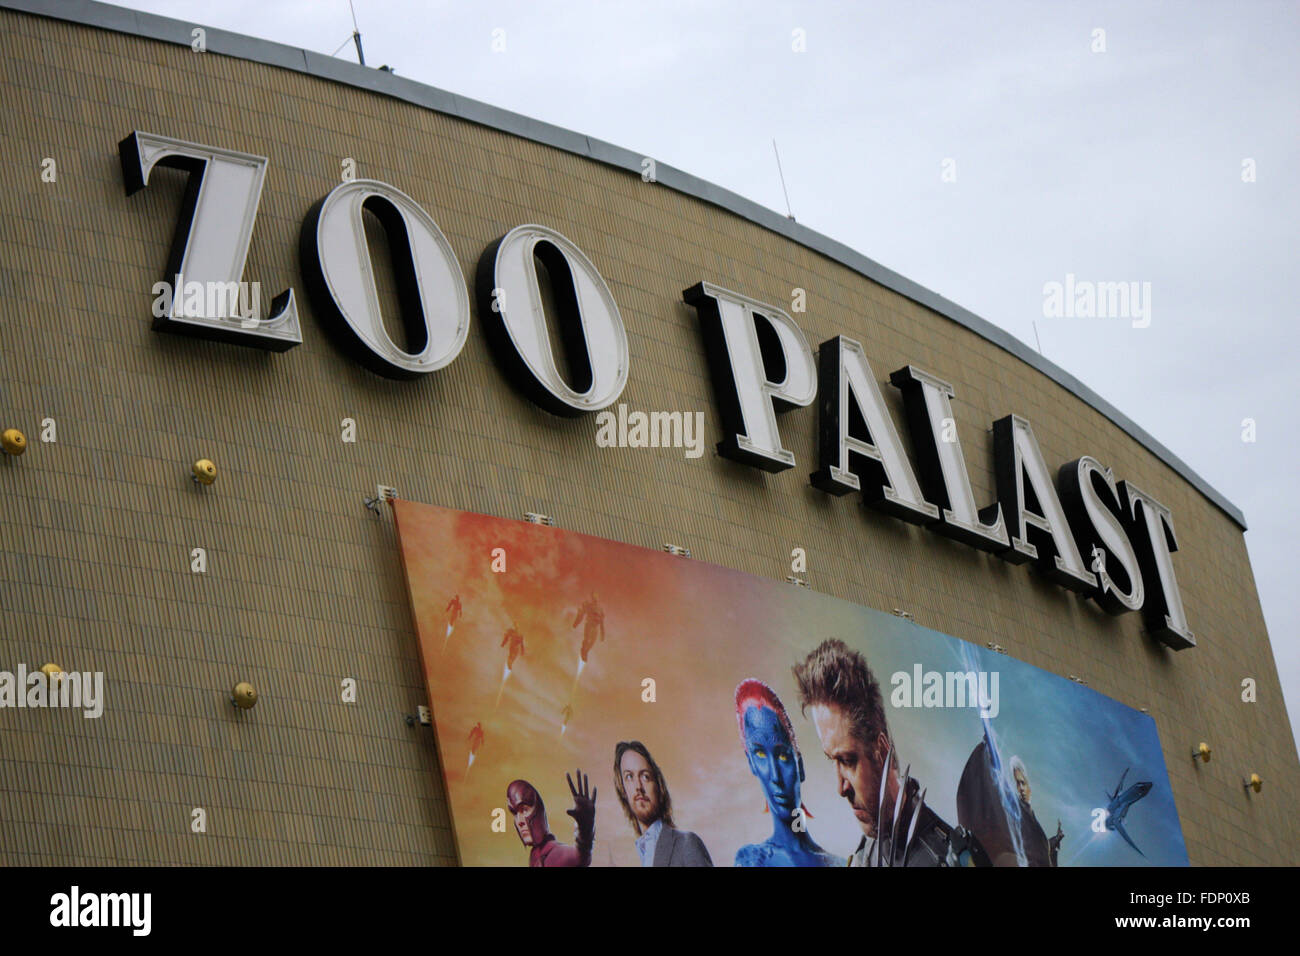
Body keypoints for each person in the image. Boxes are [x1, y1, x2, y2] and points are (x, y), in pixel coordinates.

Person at [793, 638, 988, 867]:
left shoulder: (948, 857)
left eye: (847, 761)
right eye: (832, 760)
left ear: (882, 750)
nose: (841, 788)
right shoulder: (862, 856)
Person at [733, 678, 842, 866]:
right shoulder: (752, 861)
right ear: (751, 763)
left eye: (782, 756)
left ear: (799, 766)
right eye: (760, 754)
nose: (775, 776)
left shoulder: (838, 863)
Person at [613, 740, 712, 866]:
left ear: (659, 786)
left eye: (645, 776)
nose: (638, 786)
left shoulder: (686, 844)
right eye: (629, 777)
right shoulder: (642, 854)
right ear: (623, 790)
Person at [506, 770, 596, 867]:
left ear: (538, 811)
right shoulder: (535, 856)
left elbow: (581, 856)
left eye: (524, 810)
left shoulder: (554, 854)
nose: (519, 821)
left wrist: (585, 831)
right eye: (515, 813)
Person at [1010, 756, 1064, 867]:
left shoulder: (1030, 816)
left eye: (1023, 783)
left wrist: (1057, 838)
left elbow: (1042, 848)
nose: (1020, 788)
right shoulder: (1018, 812)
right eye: (1017, 784)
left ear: (1029, 786)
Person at [573, 593, 606, 663]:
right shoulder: (588, 605)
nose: (595, 599)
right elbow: (581, 614)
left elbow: (602, 622)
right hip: (589, 625)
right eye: (594, 597)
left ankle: (585, 652)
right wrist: (576, 623)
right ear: (592, 597)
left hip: (595, 627)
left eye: (596, 597)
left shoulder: (600, 609)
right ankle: (583, 651)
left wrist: (602, 633)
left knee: (592, 642)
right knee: (587, 640)